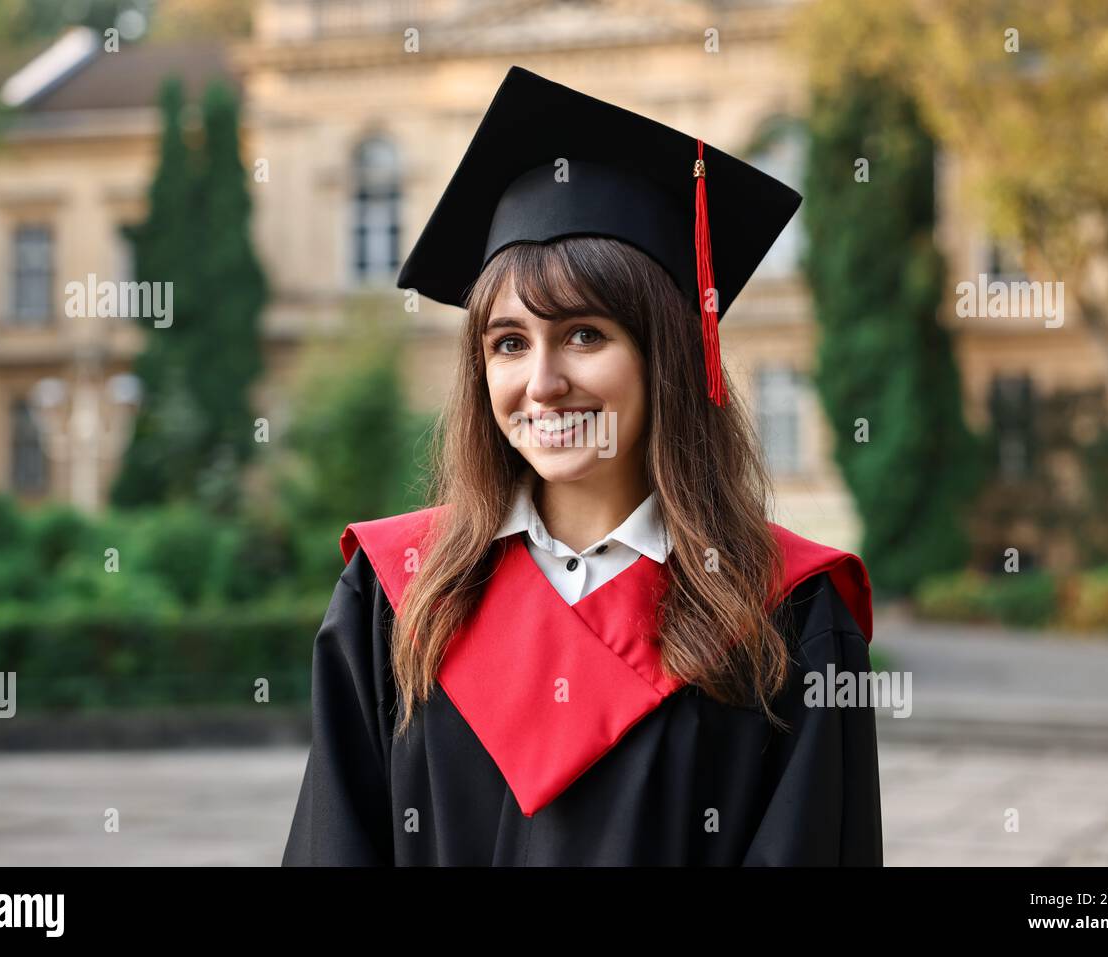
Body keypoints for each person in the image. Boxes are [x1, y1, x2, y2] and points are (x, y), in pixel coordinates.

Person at [282, 65, 882, 866]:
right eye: (508, 343)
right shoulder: (396, 594)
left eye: (585, 335)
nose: (542, 383)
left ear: (665, 354)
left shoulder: (787, 611)